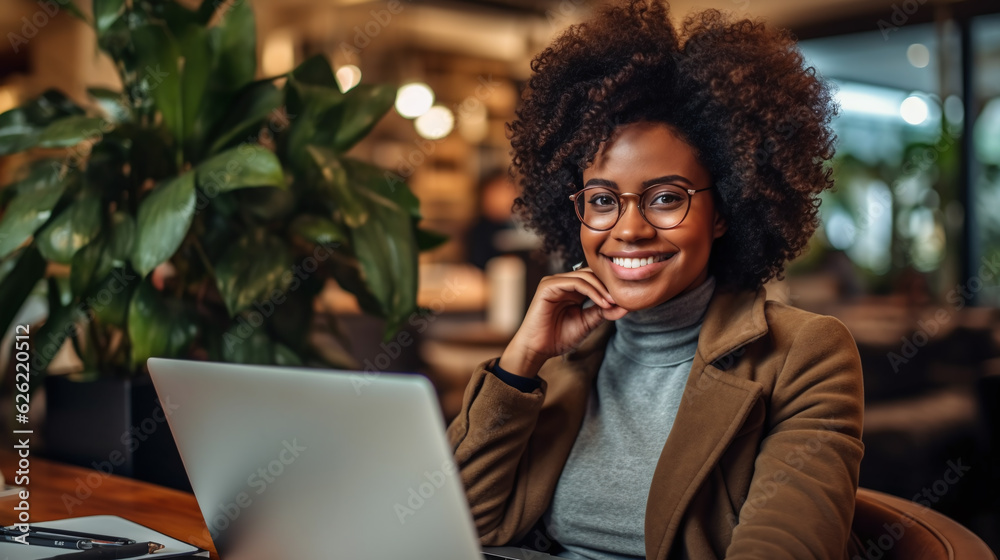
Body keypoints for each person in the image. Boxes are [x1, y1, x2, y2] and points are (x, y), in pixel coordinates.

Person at [445, 1, 865, 559]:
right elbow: (456, 529)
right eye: (602, 201)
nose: (630, 230)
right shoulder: (571, 355)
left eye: (666, 198)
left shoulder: (804, 355)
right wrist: (520, 364)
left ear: (724, 212)